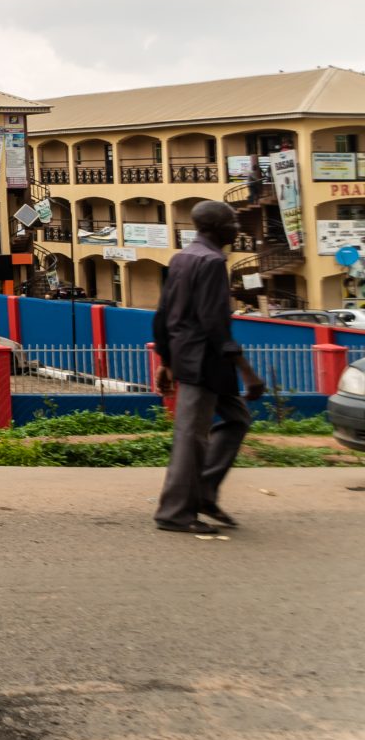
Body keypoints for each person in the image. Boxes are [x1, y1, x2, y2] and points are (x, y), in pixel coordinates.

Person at [153, 199, 265, 534]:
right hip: (204, 361)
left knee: (237, 418)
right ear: (216, 227)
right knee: (191, 436)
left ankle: (204, 492)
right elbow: (215, 323)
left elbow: (163, 315)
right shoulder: (212, 262)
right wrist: (247, 371)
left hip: (192, 358)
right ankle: (174, 513)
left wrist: (165, 361)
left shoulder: (182, 257)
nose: (237, 226)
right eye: (232, 221)